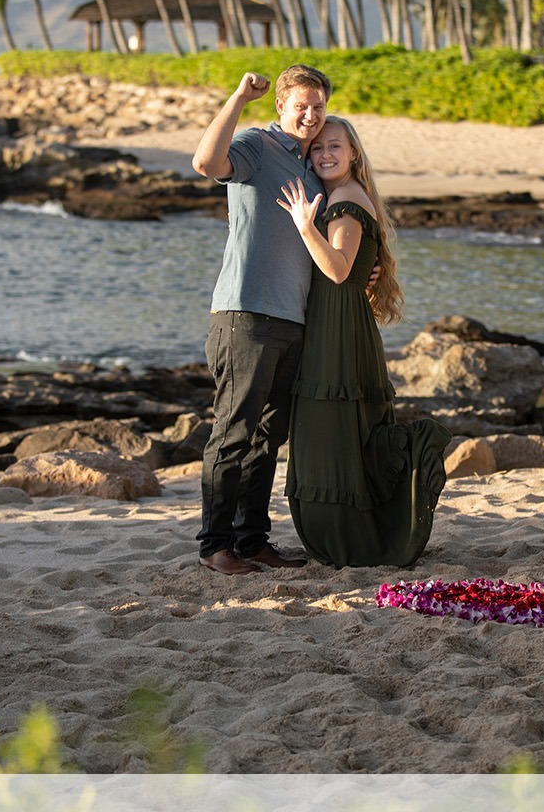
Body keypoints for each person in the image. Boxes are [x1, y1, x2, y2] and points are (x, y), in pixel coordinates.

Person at [276, 116, 452, 568]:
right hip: (338, 328)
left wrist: (303, 226)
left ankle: (353, 540)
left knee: (332, 432)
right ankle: (348, 537)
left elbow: (336, 269)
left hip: (339, 334)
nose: (325, 154)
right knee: (342, 433)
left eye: (335, 146)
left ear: (354, 153)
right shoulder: (341, 197)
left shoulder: (348, 201)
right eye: (317, 148)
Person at [190, 65, 331, 575]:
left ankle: (252, 541)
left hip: (292, 321)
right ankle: (214, 547)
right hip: (244, 315)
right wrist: (238, 97)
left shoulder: (313, 167)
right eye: (301, 105)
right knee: (233, 432)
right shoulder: (256, 145)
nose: (311, 116)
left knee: (267, 439)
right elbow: (206, 161)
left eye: (318, 107)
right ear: (282, 106)